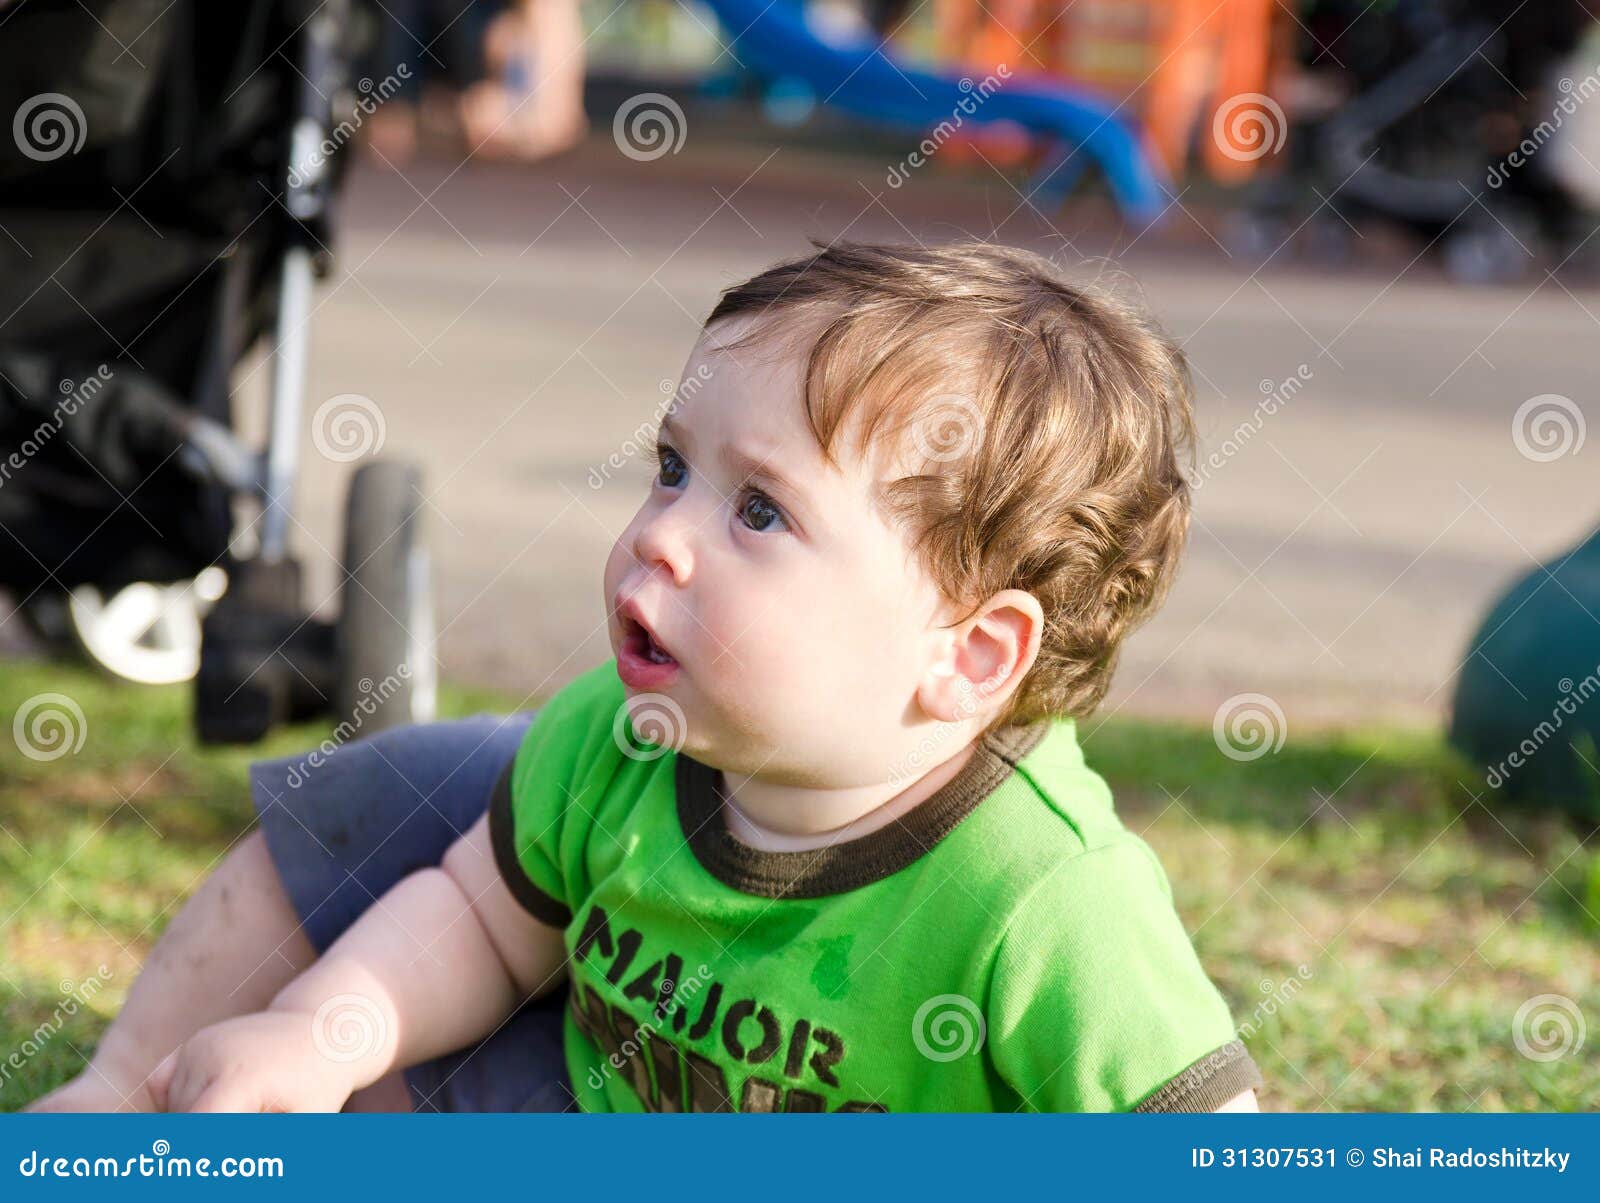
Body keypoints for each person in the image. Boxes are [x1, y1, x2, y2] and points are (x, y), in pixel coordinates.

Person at [31, 240, 1263, 1114]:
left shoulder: (1046, 901)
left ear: (967, 655)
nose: (660, 534)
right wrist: (316, 1032)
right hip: (581, 1102)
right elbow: (477, 925)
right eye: (672, 469)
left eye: (762, 512)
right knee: (400, 786)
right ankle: (116, 1091)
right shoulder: (610, 743)